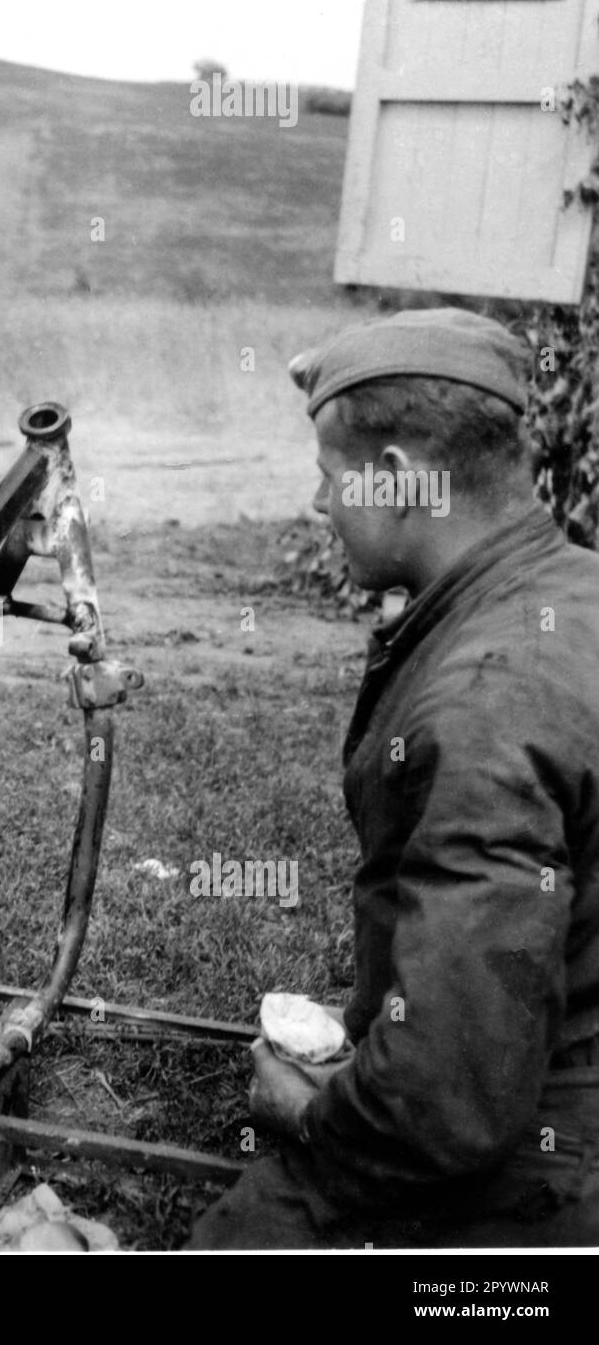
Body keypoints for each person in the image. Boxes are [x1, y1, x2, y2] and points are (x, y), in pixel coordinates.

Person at [188, 308, 599, 1249]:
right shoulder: (570, 592)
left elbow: (444, 1107)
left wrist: (308, 1111)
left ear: (401, 480)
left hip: (552, 1173)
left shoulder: (483, 702)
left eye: (332, 478)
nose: (320, 503)